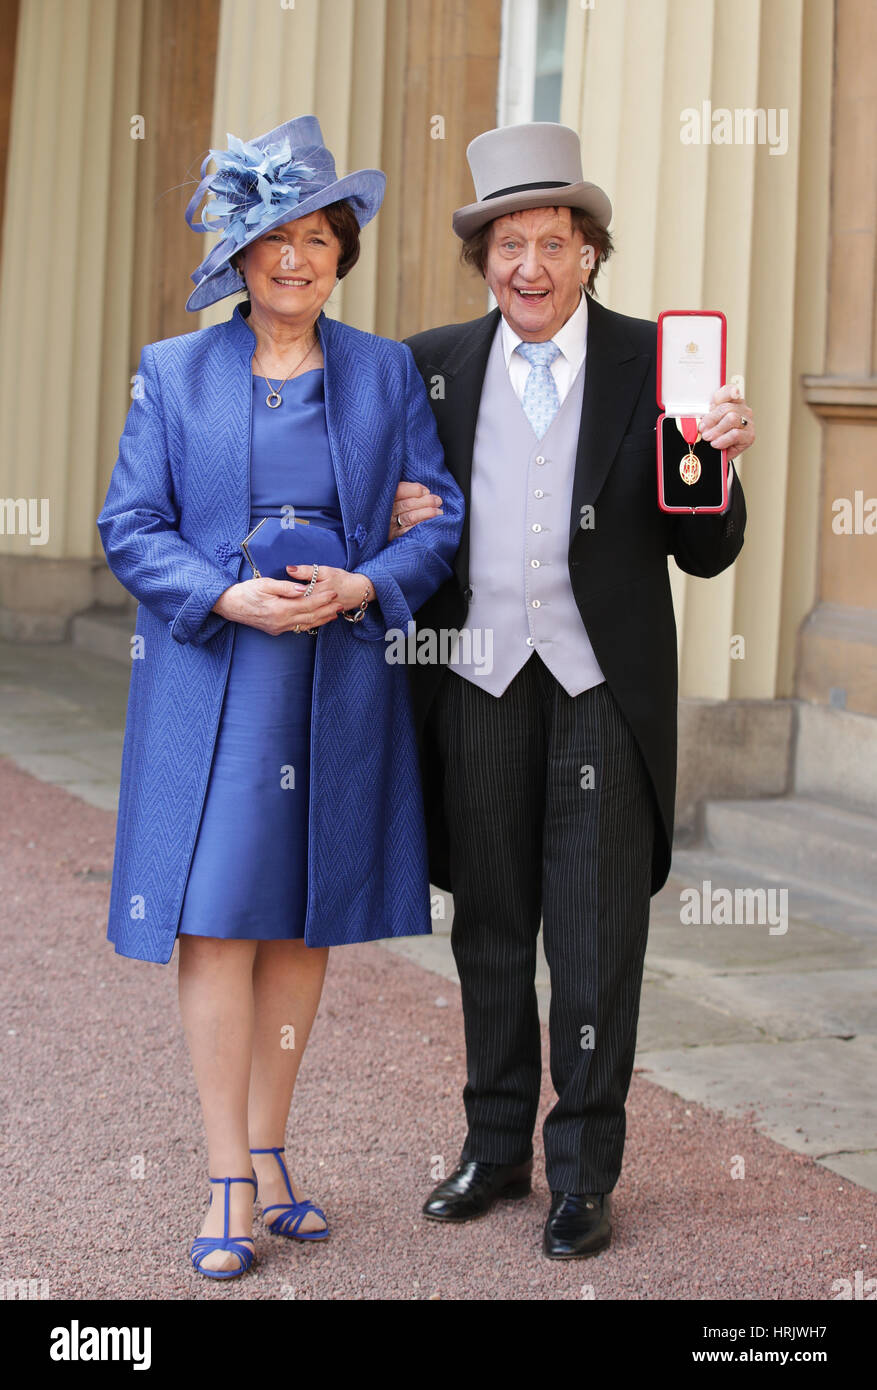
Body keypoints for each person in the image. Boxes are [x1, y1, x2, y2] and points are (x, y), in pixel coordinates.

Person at [96, 115, 463, 1279]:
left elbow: (438, 514)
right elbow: (129, 525)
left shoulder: (384, 371)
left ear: (340, 254)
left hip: (337, 677)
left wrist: (369, 580)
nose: (295, 259)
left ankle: (270, 1145)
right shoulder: (173, 372)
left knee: (306, 915)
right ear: (240, 257)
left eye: (316, 239)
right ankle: (226, 1176)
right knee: (216, 915)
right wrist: (223, 595)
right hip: (218, 677)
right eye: (274, 240)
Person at [395, 122, 756, 1258]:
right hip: (479, 679)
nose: (530, 267)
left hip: (602, 687)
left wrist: (716, 469)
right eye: (508, 246)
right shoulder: (431, 367)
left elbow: (704, 554)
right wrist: (392, 519)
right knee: (491, 928)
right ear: (483, 259)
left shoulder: (657, 364)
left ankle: (583, 1175)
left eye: (552, 243)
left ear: (589, 251)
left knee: (596, 944)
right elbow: (398, 523)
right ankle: (494, 1144)